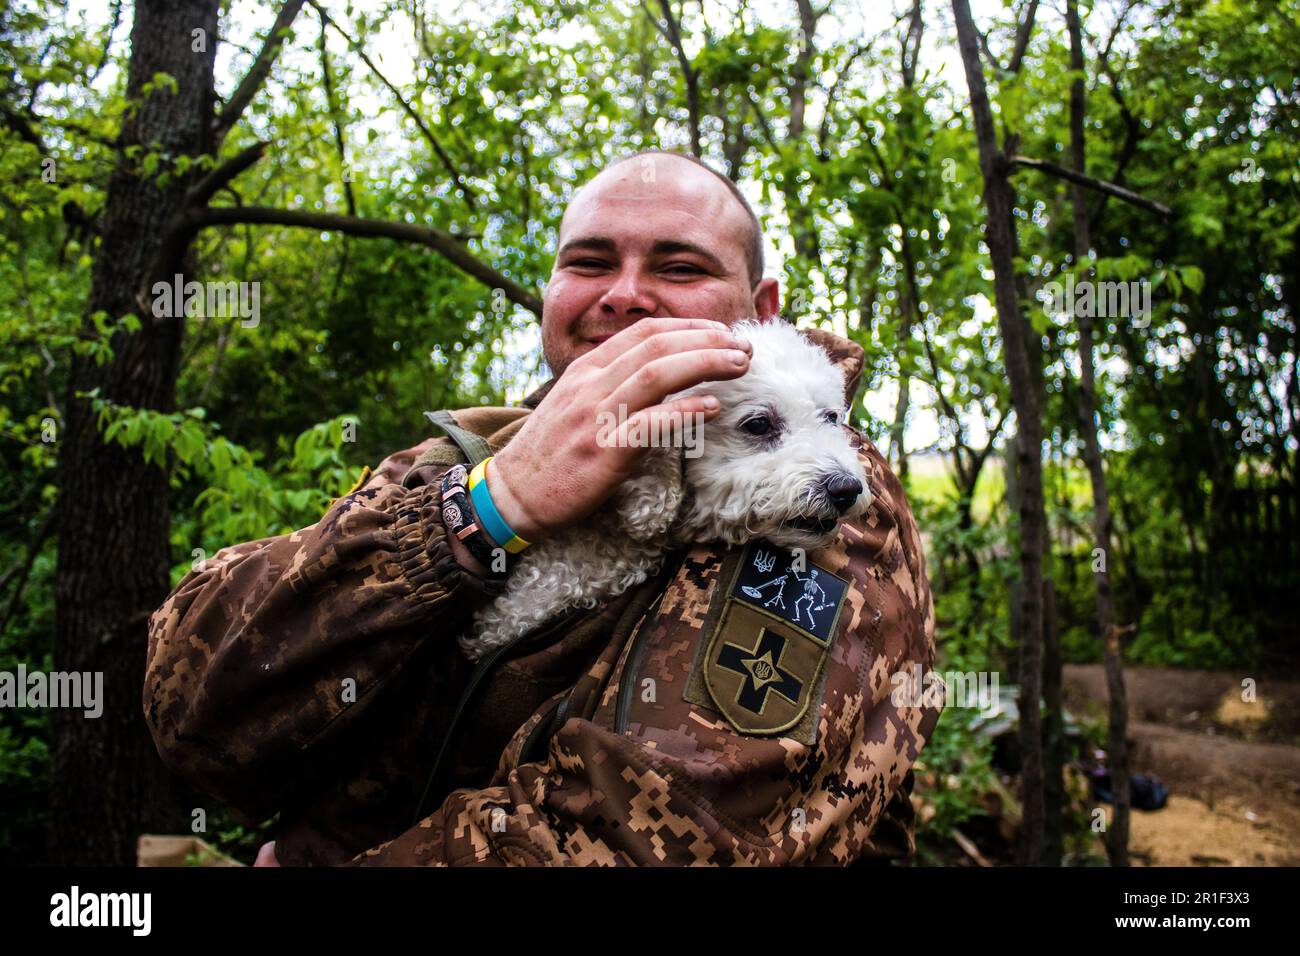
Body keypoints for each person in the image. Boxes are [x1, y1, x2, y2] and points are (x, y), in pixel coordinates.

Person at [143, 149, 943, 866]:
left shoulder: (825, 496)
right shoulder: (476, 452)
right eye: (590, 262)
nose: (626, 295)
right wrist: (491, 506)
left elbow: (663, 833)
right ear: (552, 293)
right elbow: (190, 711)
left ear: (759, 311)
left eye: (680, 265)